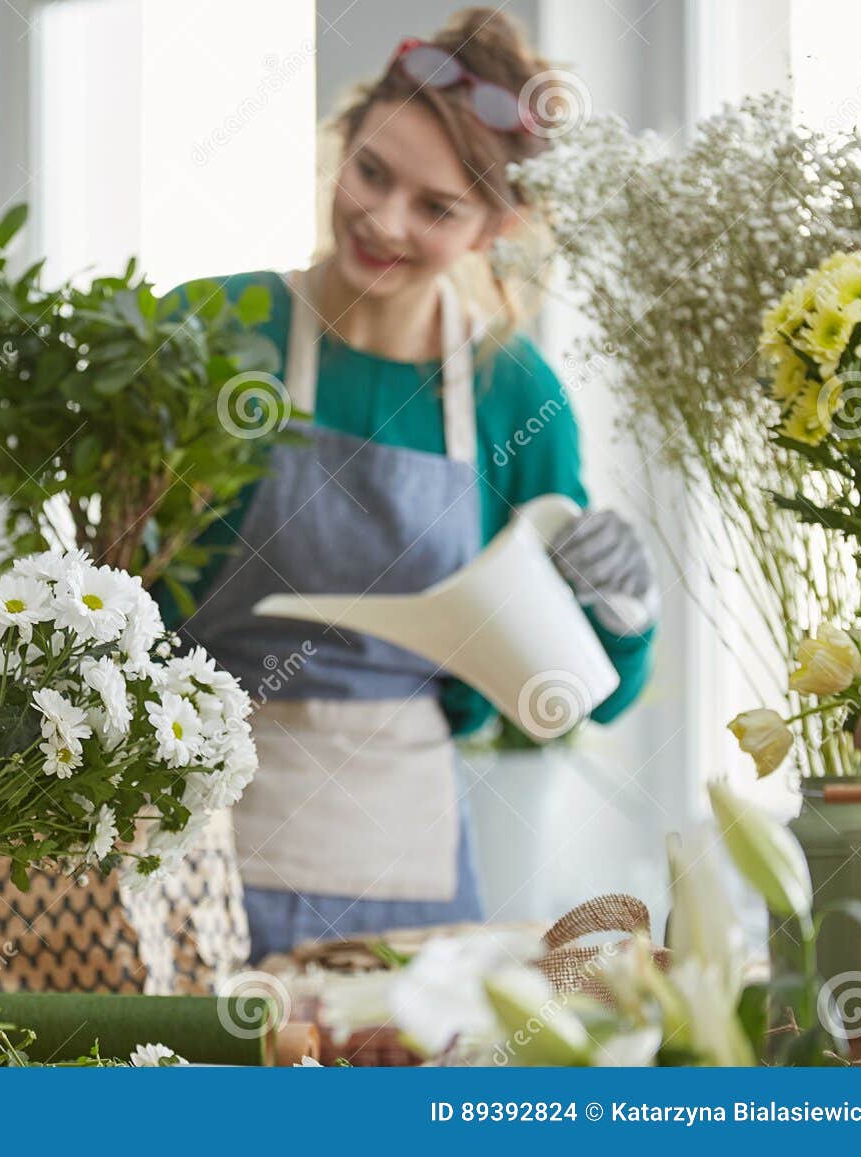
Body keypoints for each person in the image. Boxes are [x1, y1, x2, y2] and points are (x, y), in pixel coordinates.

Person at [158, 9, 658, 964]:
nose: (382, 221)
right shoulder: (215, 326)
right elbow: (104, 578)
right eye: (373, 172)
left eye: (436, 208)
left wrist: (623, 614)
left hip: (408, 878)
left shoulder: (516, 394)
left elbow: (575, 694)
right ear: (343, 142)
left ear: (496, 227)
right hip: (188, 849)